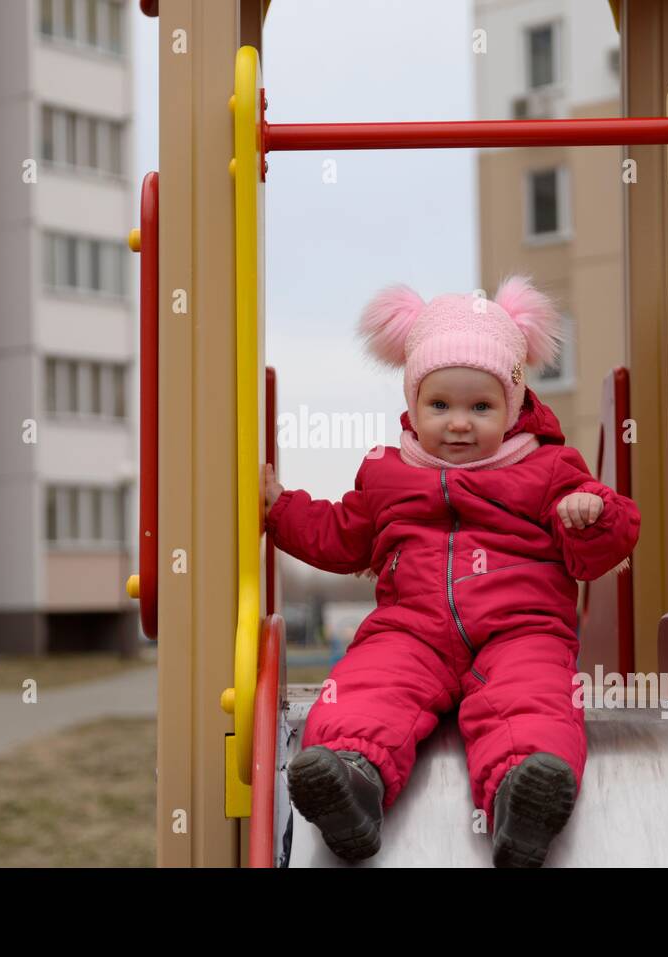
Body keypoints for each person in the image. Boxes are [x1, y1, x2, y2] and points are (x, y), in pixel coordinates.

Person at [263, 275, 641, 867]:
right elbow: (340, 535)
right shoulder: (388, 475)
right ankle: (353, 781)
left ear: (512, 407)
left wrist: (590, 517)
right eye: (440, 405)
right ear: (413, 405)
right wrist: (280, 508)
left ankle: (524, 798)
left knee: (534, 697)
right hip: (410, 630)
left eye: (481, 406)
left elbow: (600, 550)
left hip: (522, 630)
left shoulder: (548, 469)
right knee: (368, 684)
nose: (459, 423)